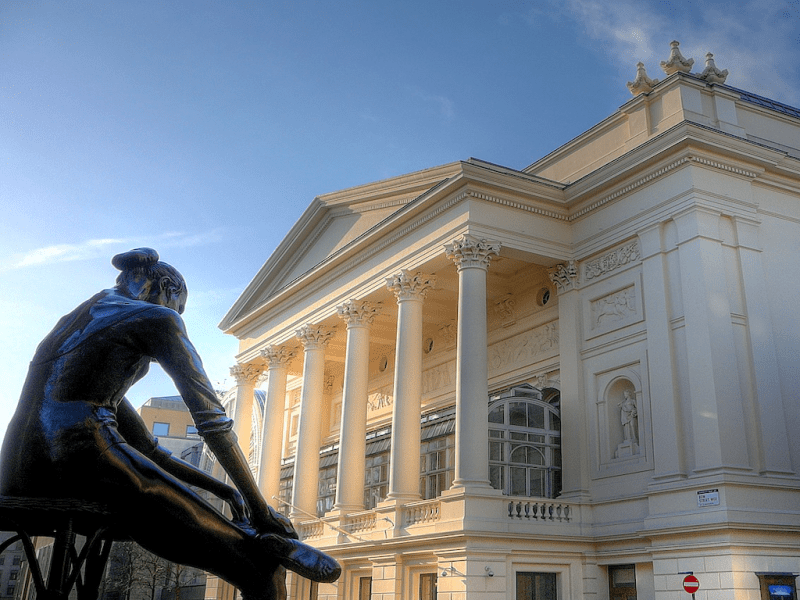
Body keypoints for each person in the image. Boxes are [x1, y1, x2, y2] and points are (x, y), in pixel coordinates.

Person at [0, 248, 340, 600]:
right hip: (78, 459)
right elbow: (212, 422)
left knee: (179, 515)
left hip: (20, 469)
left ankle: (254, 540)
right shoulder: (157, 318)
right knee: (256, 569)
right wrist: (259, 508)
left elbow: (147, 448)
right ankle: (261, 546)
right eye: (179, 306)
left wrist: (224, 490)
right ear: (167, 288)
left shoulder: (75, 323)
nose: (177, 314)